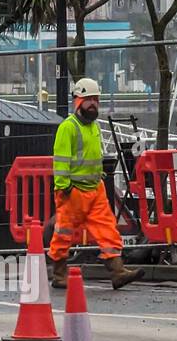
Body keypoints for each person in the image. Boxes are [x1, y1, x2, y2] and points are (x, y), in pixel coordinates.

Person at [50, 77, 143, 290]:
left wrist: (99, 176)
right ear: (78, 101)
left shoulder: (93, 126)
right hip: (73, 191)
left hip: (94, 189)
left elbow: (93, 156)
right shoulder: (68, 127)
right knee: (64, 233)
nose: (93, 103)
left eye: (96, 99)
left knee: (108, 231)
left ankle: (118, 272)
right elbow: (61, 159)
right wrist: (64, 187)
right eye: (88, 99)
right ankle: (59, 274)